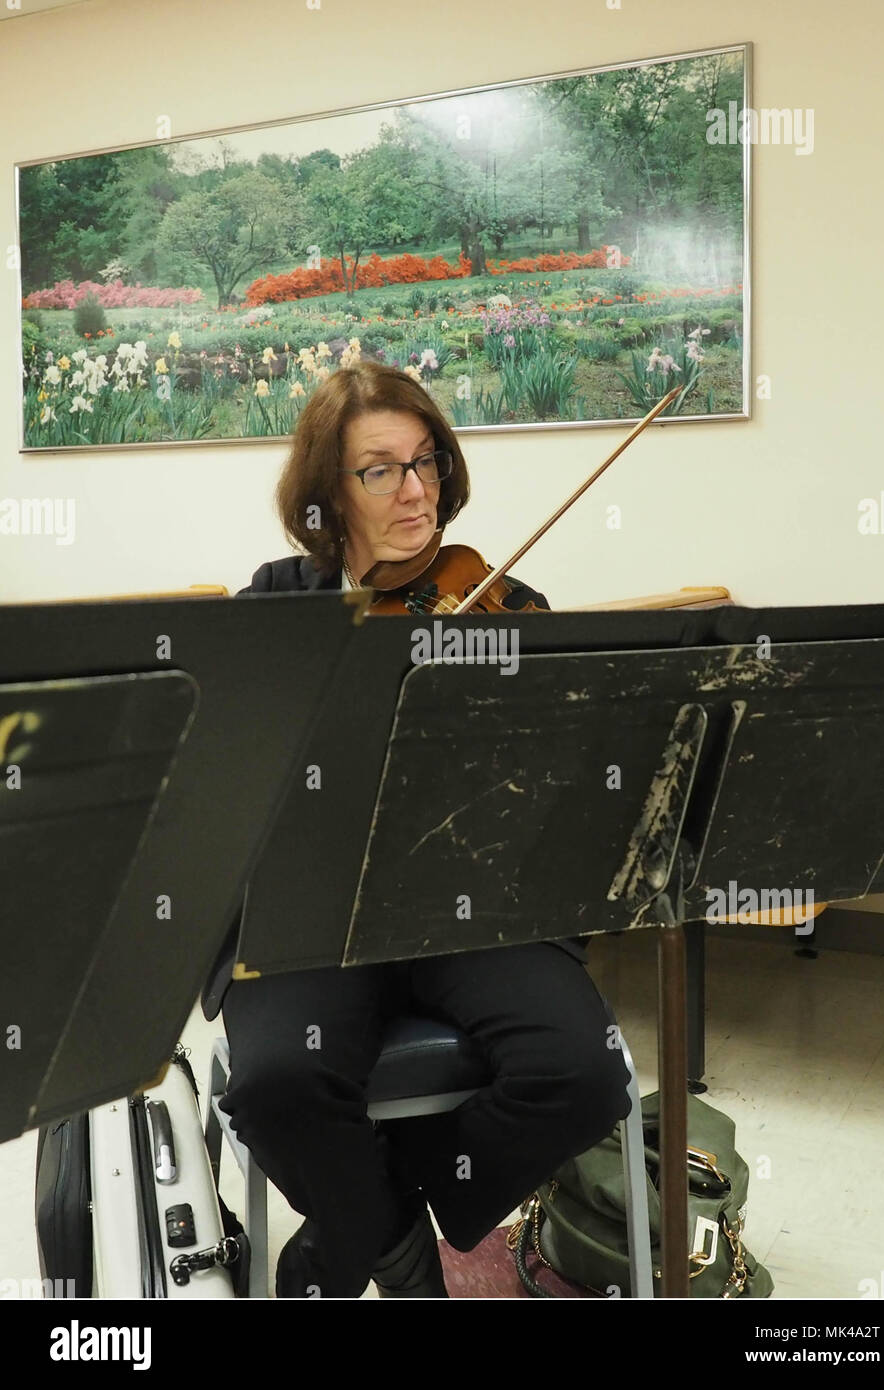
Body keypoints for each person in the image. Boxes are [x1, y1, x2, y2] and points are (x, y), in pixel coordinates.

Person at [200, 360, 632, 1298]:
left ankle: (374, 1213)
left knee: (584, 1074)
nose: (416, 490)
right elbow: (220, 784)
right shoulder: (273, 612)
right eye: (381, 469)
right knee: (277, 1084)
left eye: (426, 461)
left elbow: (553, 795)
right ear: (327, 498)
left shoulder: (506, 608)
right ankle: (389, 1244)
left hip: (461, 903)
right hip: (318, 913)